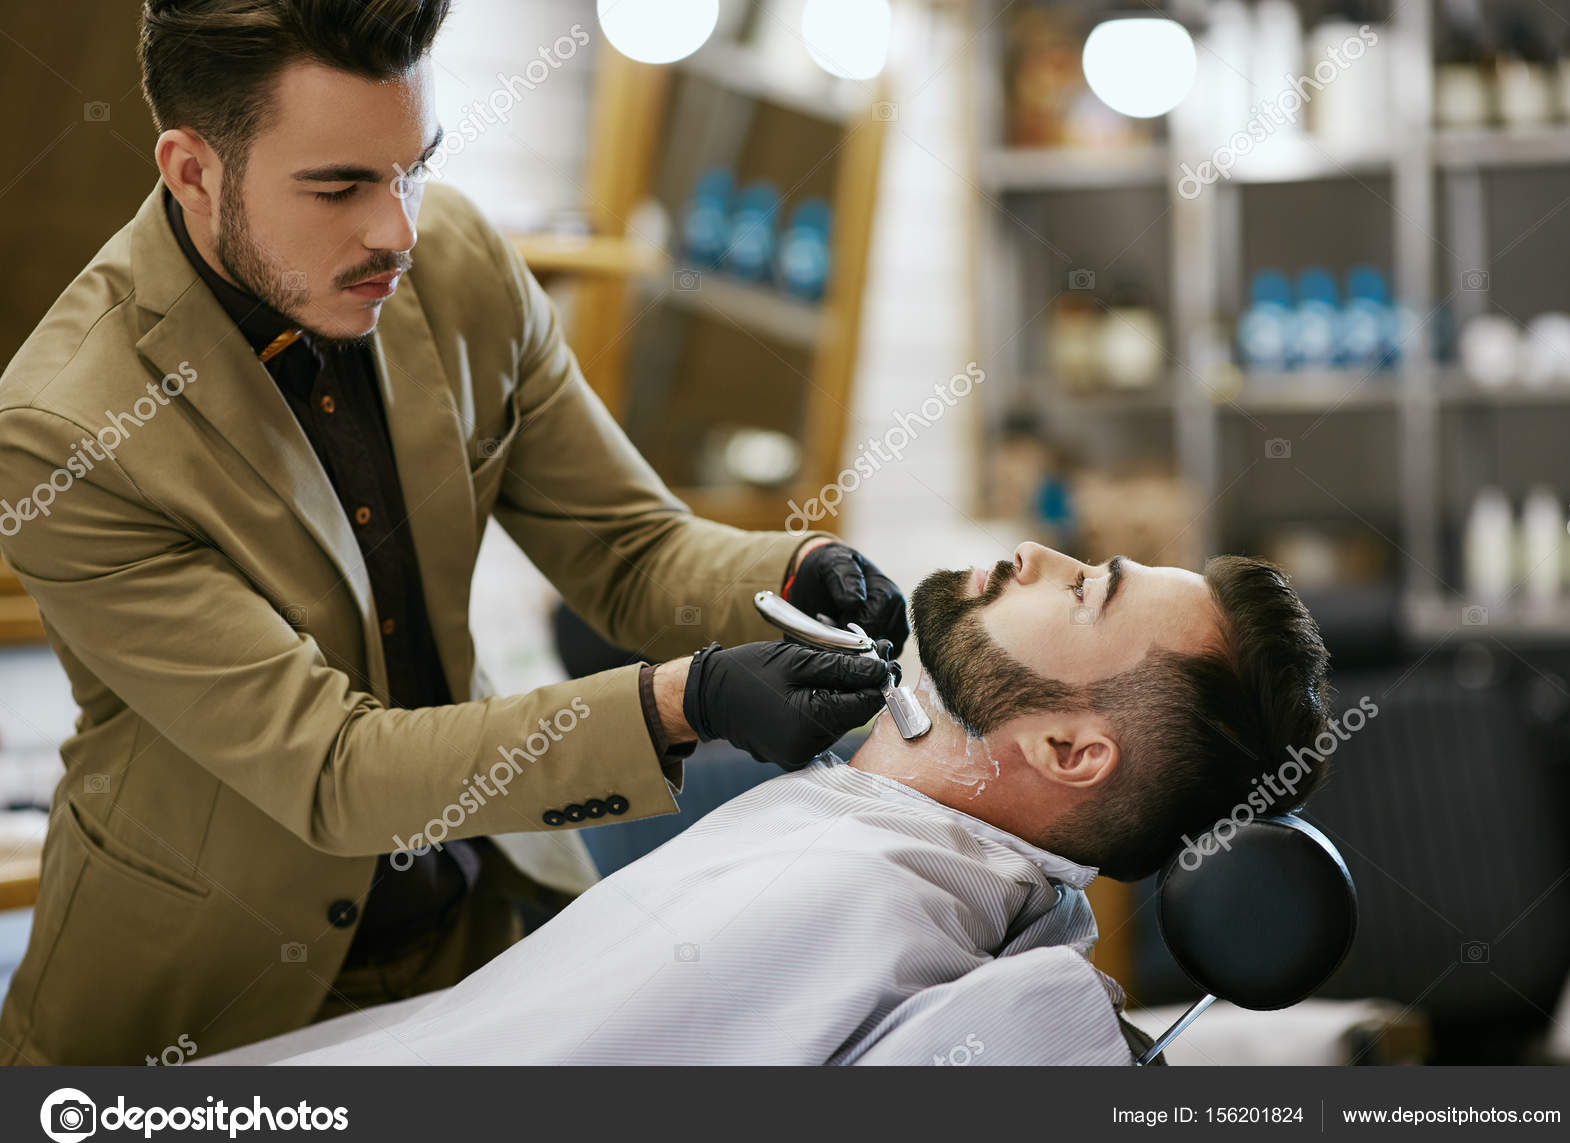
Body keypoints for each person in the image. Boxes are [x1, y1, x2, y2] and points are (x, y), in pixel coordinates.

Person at [0, 0, 908, 1066]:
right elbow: (334, 766)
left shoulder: (460, 262)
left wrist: (795, 570)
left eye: (414, 168)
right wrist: (683, 700)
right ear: (193, 171)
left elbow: (627, 547)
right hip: (205, 998)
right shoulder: (63, 428)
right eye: (339, 187)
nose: (397, 230)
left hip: (478, 932)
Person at [240, 543, 1334, 1066]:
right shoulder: (886, 847)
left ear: (1067, 749)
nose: (1035, 554)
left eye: (1083, 590)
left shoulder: (903, 923)